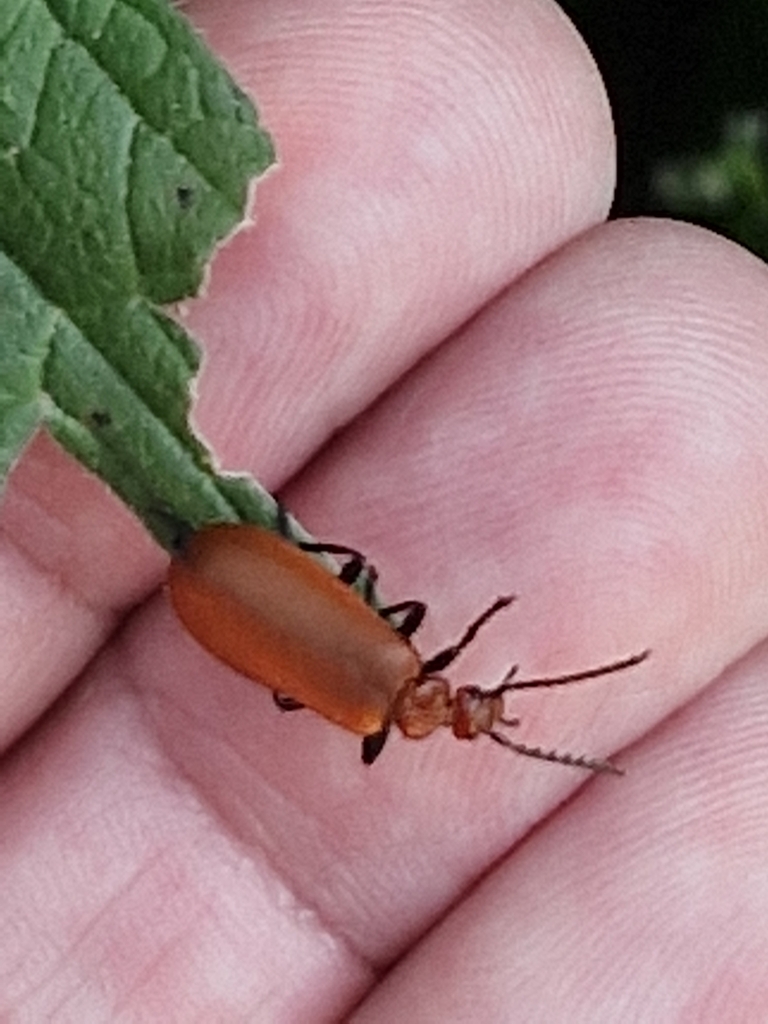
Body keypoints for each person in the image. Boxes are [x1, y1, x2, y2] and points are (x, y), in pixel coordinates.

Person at [3, 1, 768, 1018]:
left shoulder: (395, 671)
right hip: (223, 595)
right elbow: (312, 667)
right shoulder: (376, 705)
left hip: (239, 581)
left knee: (345, 585)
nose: (471, 704)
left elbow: (368, 594)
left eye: (472, 710)